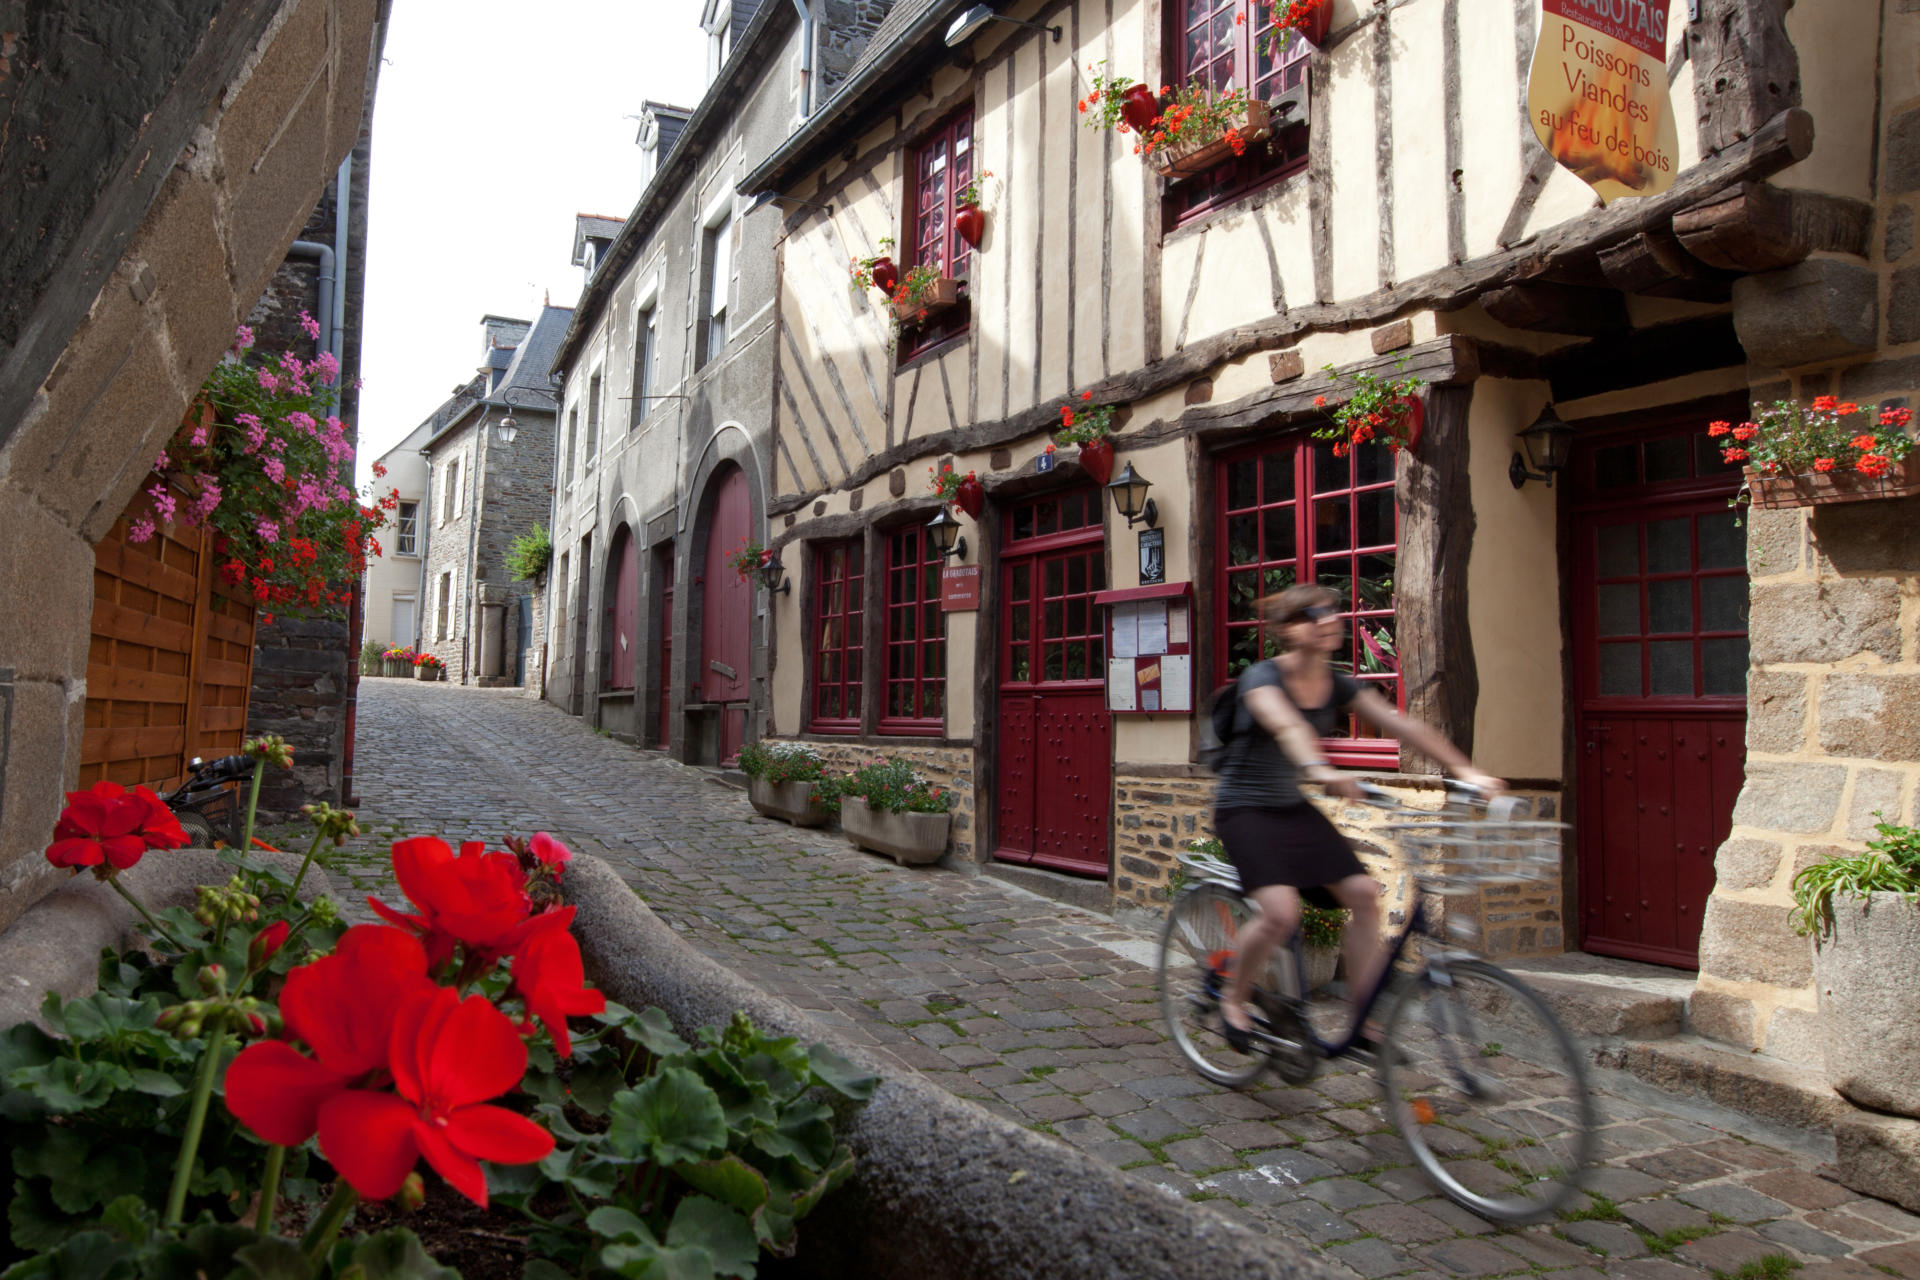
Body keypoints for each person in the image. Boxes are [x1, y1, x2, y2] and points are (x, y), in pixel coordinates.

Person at [1212, 583, 1504, 1050]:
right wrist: (1319, 768)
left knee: (1365, 894)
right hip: (1244, 809)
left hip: (1291, 809)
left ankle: (1362, 1018)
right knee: (1281, 914)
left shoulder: (1338, 683)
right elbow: (1285, 724)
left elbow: (1401, 724)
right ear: (1289, 630)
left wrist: (1467, 771)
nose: (1328, 619)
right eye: (1313, 613)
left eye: (1331, 611)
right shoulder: (1262, 678)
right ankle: (1234, 997)